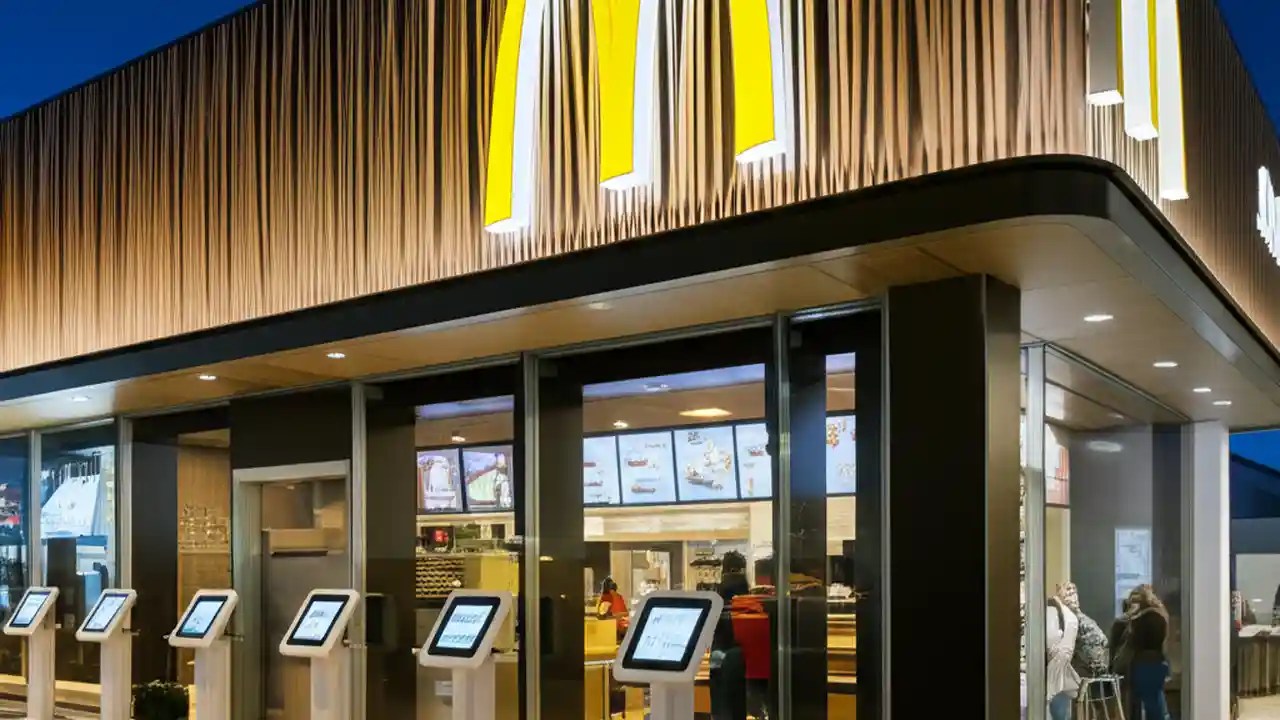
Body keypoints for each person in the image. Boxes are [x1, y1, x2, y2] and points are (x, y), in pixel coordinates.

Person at [1113, 585, 1171, 720]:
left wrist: (1131, 618)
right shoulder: (1160, 615)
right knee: (1156, 702)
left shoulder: (1142, 619)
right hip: (1158, 662)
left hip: (1144, 664)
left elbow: (1136, 641)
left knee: (1145, 703)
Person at [710, 552, 749, 720]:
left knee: (720, 698)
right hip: (741, 651)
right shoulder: (746, 589)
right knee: (738, 699)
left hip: (718, 650)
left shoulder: (719, 590)